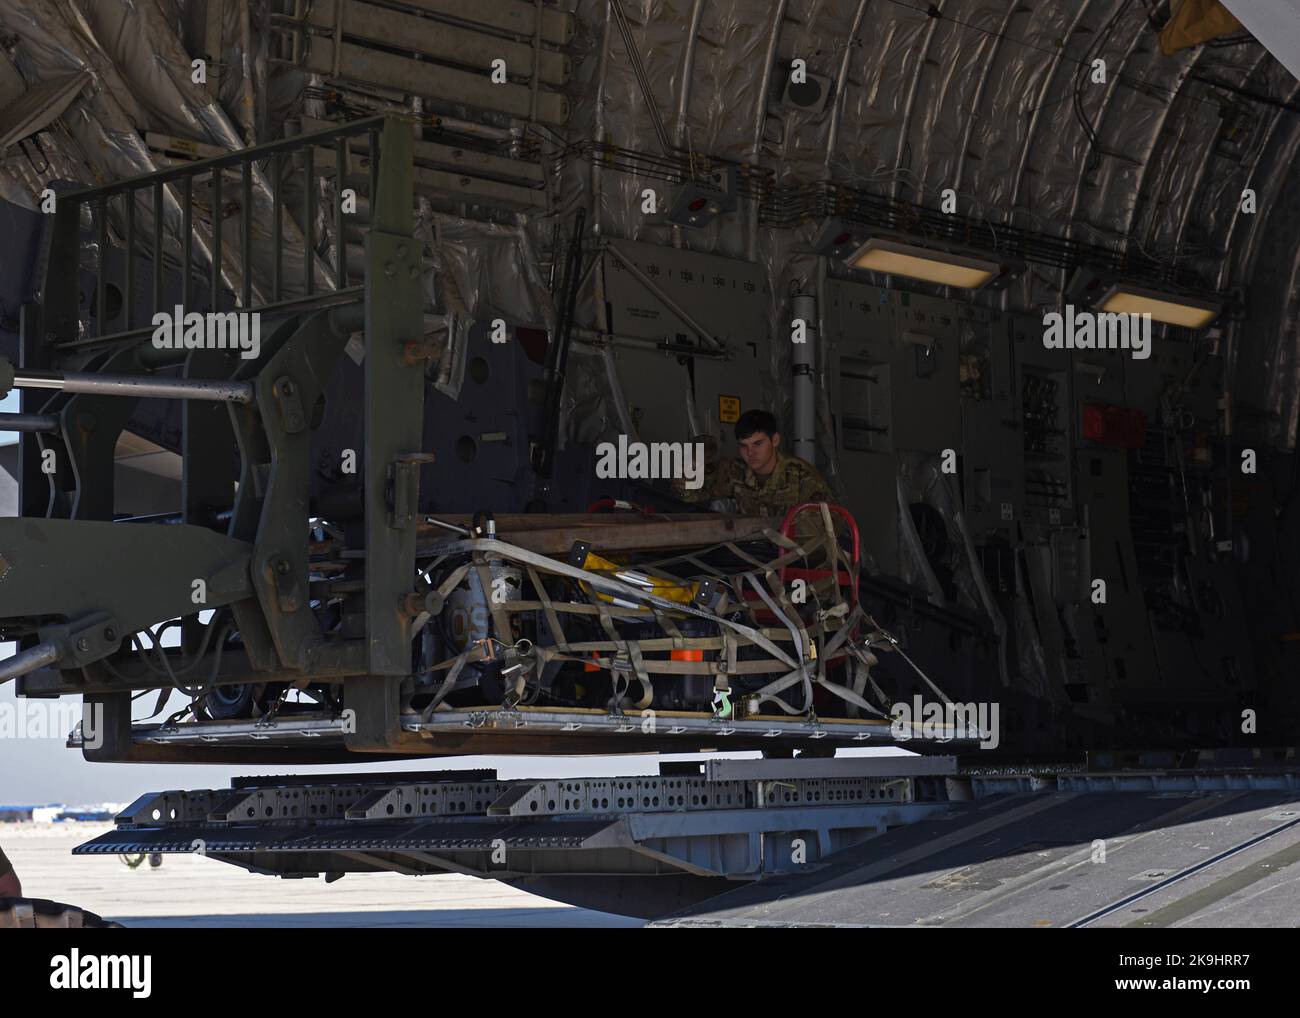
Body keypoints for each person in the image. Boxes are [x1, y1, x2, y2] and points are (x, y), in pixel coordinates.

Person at [673, 409, 833, 517]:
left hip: (792, 561)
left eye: (758, 444)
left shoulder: (802, 477)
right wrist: (696, 459)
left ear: (775, 440)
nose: (750, 453)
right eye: (744, 446)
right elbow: (689, 498)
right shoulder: (733, 471)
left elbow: (826, 527)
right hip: (750, 558)